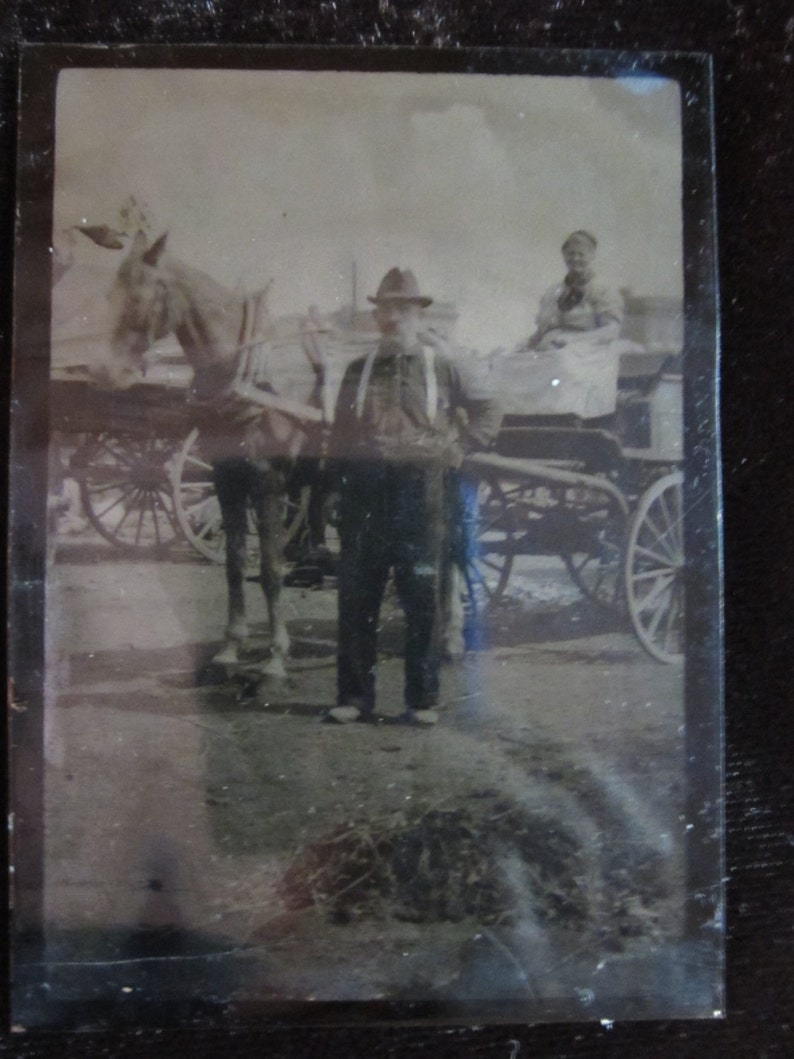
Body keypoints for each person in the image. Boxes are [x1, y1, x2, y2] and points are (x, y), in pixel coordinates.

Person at [325, 267, 501, 727]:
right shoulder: (356, 369)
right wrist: (330, 492)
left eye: (403, 308)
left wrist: (461, 448)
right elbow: (340, 436)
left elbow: (488, 408)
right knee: (357, 596)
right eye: (385, 308)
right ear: (376, 314)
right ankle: (354, 698)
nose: (393, 317)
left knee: (422, 593)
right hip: (365, 493)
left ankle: (422, 701)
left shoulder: (442, 365)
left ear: (418, 314)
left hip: (421, 496)